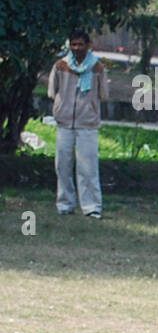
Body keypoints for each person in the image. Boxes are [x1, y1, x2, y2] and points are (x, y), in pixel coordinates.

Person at [49, 30, 108, 219]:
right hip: (65, 122)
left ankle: (92, 207)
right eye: (73, 44)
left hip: (87, 124)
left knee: (88, 168)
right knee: (62, 166)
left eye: (80, 44)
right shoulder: (60, 65)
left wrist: (89, 108)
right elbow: (52, 91)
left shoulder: (97, 67)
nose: (76, 48)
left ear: (88, 46)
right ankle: (65, 204)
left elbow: (103, 94)